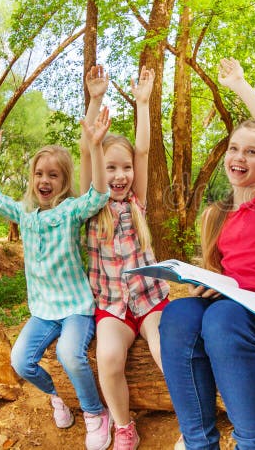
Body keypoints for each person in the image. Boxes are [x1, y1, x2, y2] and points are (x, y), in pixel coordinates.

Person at [159, 57, 255, 450]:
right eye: (235, 148)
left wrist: (239, 84)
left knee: (223, 318)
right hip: (231, 311)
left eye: (252, 152)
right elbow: (218, 275)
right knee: (176, 314)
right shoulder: (214, 215)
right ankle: (198, 441)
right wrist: (203, 287)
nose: (240, 157)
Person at [0, 111, 113, 450]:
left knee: (71, 354)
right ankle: (58, 395)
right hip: (43, 311)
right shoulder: (26, 214)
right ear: (32, 179)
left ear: (63, 180)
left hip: (75, 307)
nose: (45, 180)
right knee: (20, 361)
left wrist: (96, 147)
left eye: (53, 175)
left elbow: (99, 195)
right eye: (39, 174)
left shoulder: (70, 211)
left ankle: (95, 413)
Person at [80, 65, 171, 450]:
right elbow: (87, 150)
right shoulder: (91, 205)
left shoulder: (137, 202)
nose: (120, 175)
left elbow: (145, 149)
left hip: (150, 299)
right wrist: (96, 100)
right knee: (109, 359)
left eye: (126, 167)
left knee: (167, 351)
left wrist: (144, 103)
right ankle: (122, 426)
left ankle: (191, 418)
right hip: (113, 307)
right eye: (110, 167)